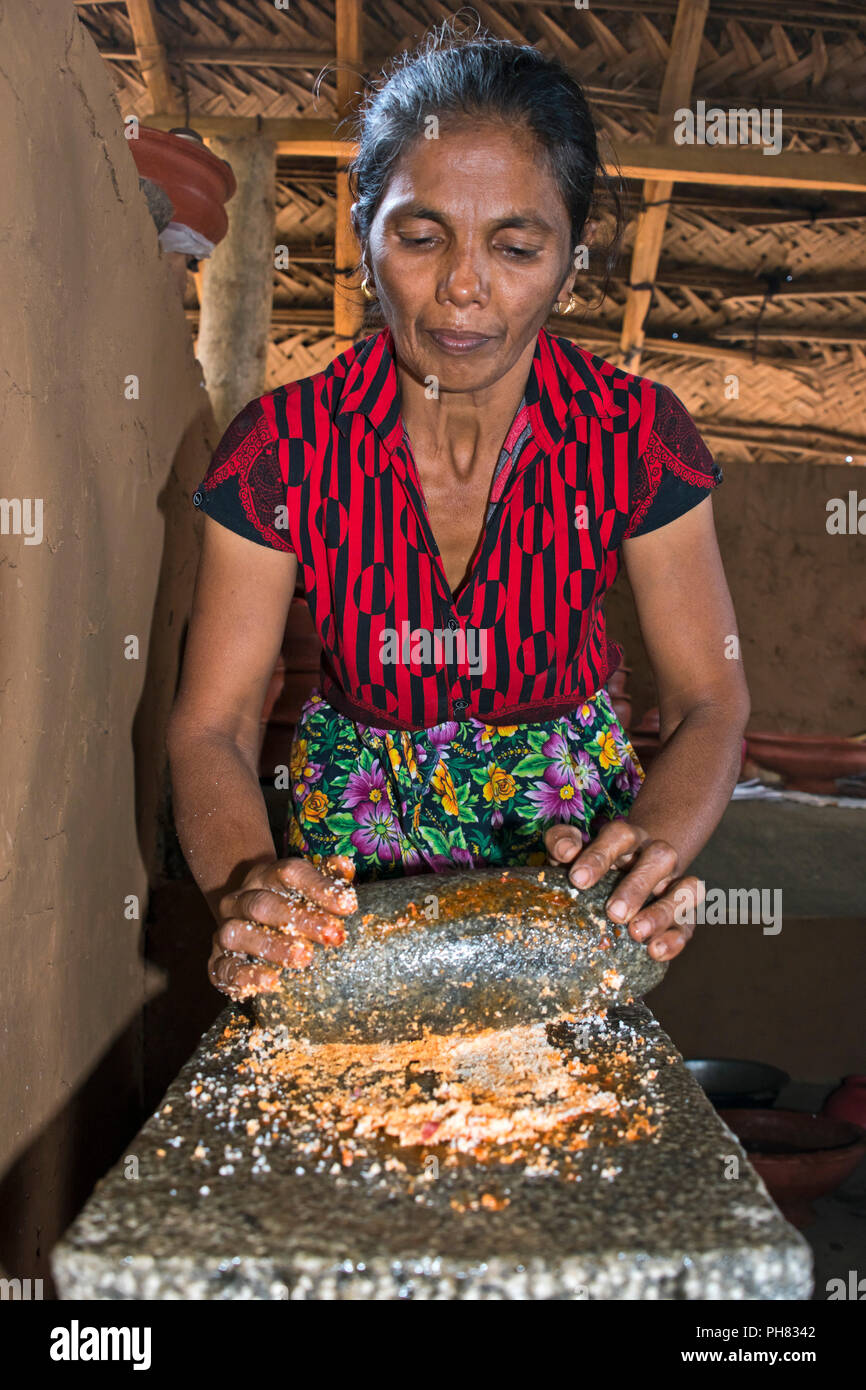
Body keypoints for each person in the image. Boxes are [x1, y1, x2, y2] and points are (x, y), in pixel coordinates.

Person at [167, 25, 749, 1003]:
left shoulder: (629, 437)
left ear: (570, 265)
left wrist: (644, 850)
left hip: (567, 858)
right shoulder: (283, 451)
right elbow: (213, 725)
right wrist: (252, 887)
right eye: (420, 235)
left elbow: (708, 699)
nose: (463, 287)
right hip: (352, 867)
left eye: (515, 245)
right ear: (364, 241)